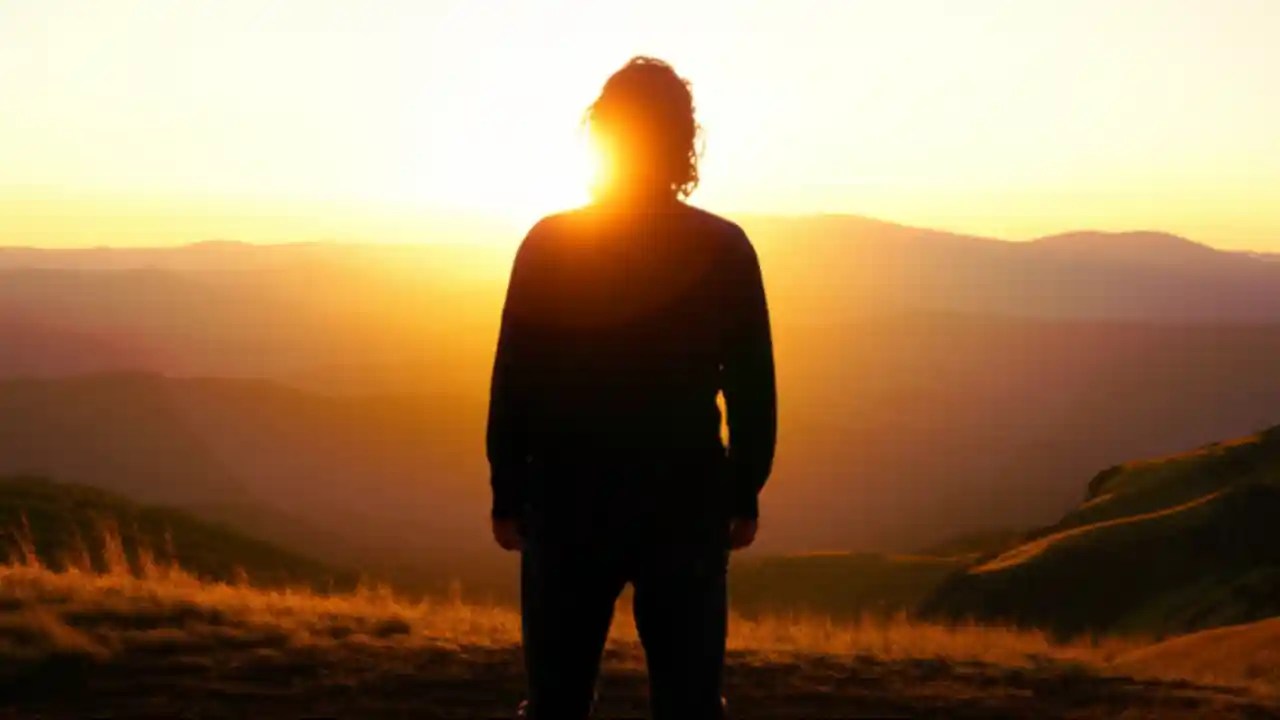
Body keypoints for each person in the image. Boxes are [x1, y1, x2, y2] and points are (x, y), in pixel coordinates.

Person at [486, 56, 777, 719]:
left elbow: (516, 376)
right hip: (684, 501)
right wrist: (744, 490)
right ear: (682, 140)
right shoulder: (724, 249)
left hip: (566, 499)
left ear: (603, 135)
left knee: (557, 701)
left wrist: (507, 488)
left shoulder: (550, 244)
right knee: (689, 701)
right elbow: (752, 386)